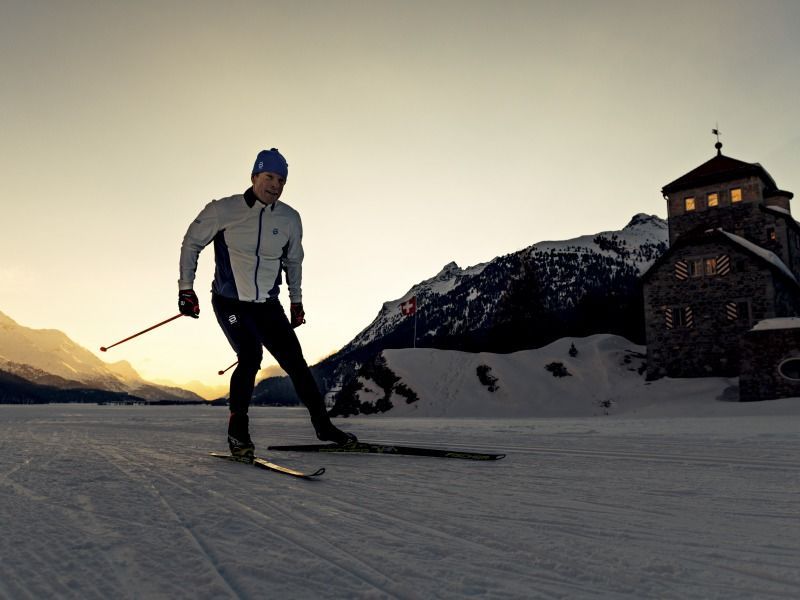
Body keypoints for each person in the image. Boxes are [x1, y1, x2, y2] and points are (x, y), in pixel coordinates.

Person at [177, 148, 356, 461]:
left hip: (267, 306)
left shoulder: (289, 218)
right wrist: (186, 289)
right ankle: (238, 431)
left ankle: (324, 427)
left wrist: (296, 301)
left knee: (298, 365)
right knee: (250, 356)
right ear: (254, 176)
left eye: (282, 180)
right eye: (269, 177)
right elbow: (192, 242)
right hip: (230, 302)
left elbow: (294, 261)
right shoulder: (224, 210)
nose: (275, 185)